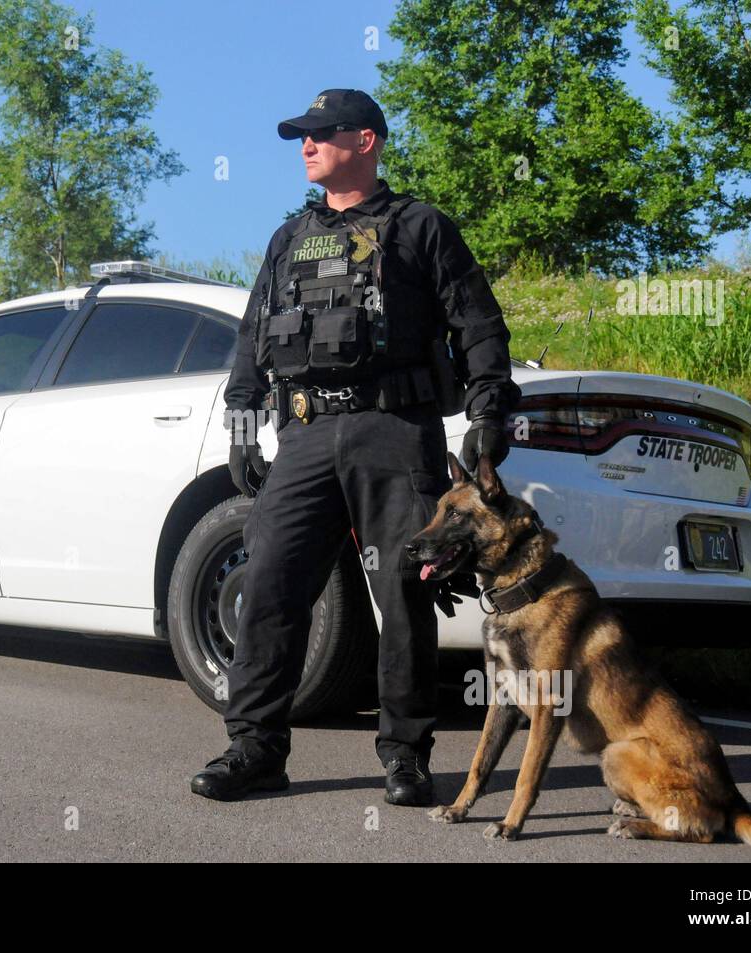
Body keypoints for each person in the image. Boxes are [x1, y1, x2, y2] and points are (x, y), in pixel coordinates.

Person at [190, 89, 521, 805]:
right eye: (300, 136)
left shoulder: (420, 226)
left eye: (320, 133)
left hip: (393, 431)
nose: (305, 145)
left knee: (404, 591)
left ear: (365, 141)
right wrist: (243, 423)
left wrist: (489, 408)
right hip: (304, 436)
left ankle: (406, 754)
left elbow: (478, 326)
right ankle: (255, 747)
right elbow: (252, 339)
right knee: (270, 584)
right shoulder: (287, 239)